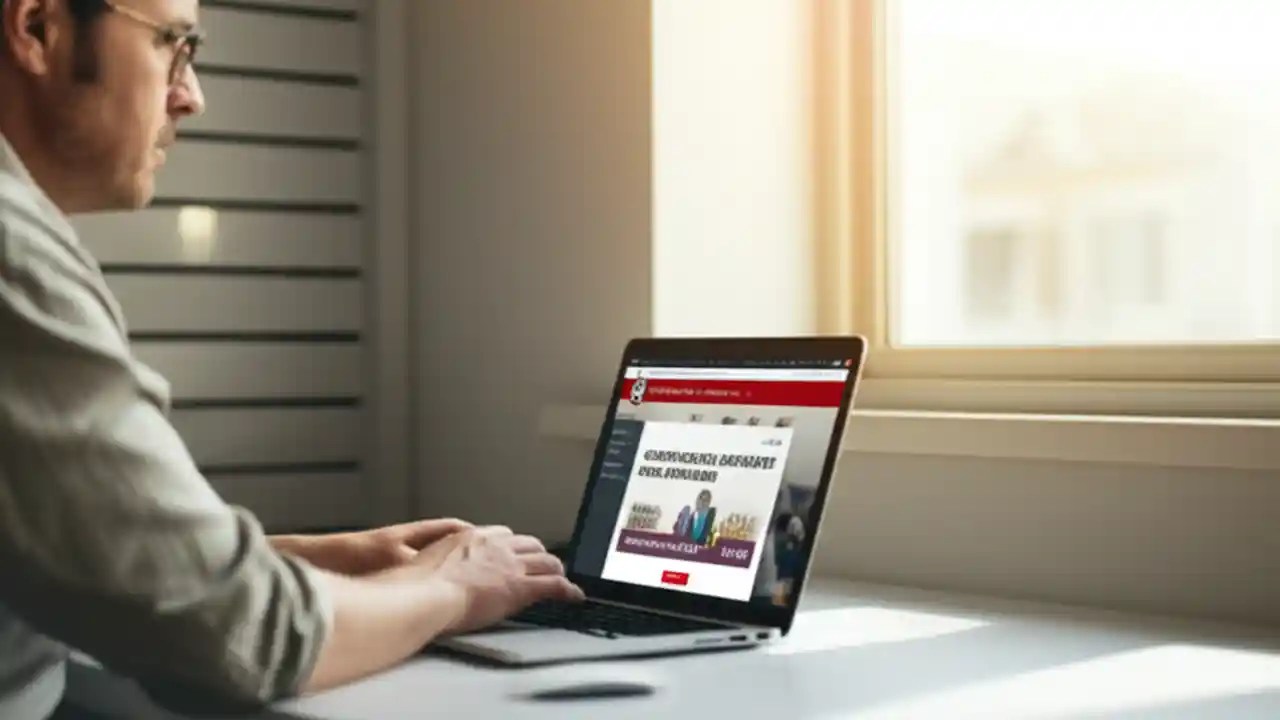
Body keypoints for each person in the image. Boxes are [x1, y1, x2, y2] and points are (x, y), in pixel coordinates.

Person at [0, 1, 582, 717]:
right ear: (36, 27)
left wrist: (324, 561)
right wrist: (451, 587)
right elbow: (232, 635)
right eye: (173, 45)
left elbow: (96, 564)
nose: (192, 94)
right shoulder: (11, 251)